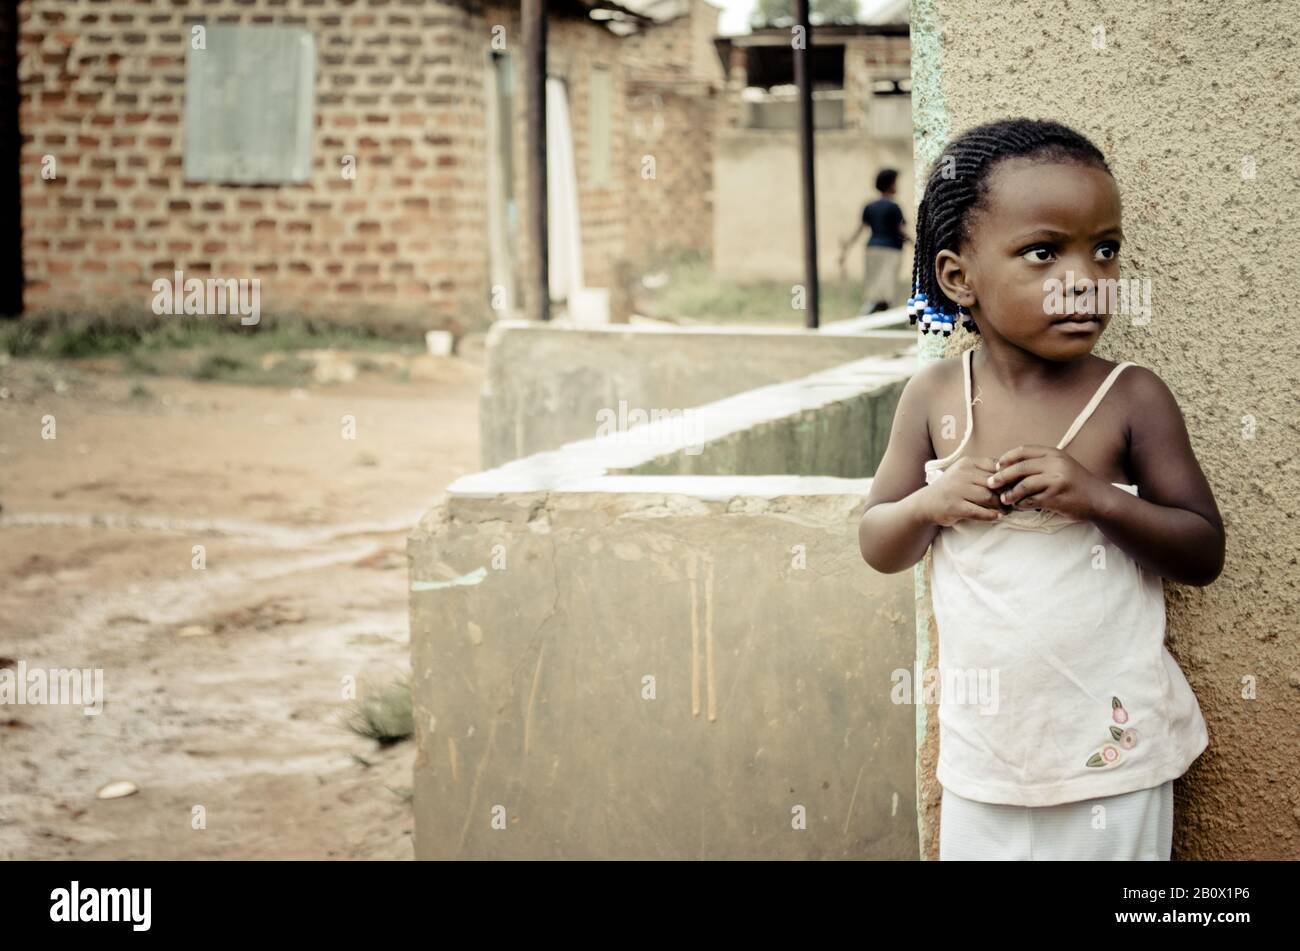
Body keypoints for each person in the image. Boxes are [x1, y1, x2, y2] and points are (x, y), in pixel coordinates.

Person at [857, 118, 1224, 860]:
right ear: (960, 277)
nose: (1085, 277)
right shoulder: (934, 398)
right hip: (988, 753)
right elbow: (877, 541)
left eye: (1106, 251)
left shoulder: (1131, 398)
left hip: (1112, 753)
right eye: (1043, 252)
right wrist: (930, 504)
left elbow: (1201, 548)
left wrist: (1094, 496)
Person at [840, 168, 912, 313]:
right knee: (887, 289)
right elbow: (902, 230)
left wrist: (846, 246)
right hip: (891, 250)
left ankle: (869, 312)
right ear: (890, 185)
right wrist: (916, 244)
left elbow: (860, 229)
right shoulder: (894, 207)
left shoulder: (870, 206)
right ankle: (878, 315)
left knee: (874, 287)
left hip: (872, 249)